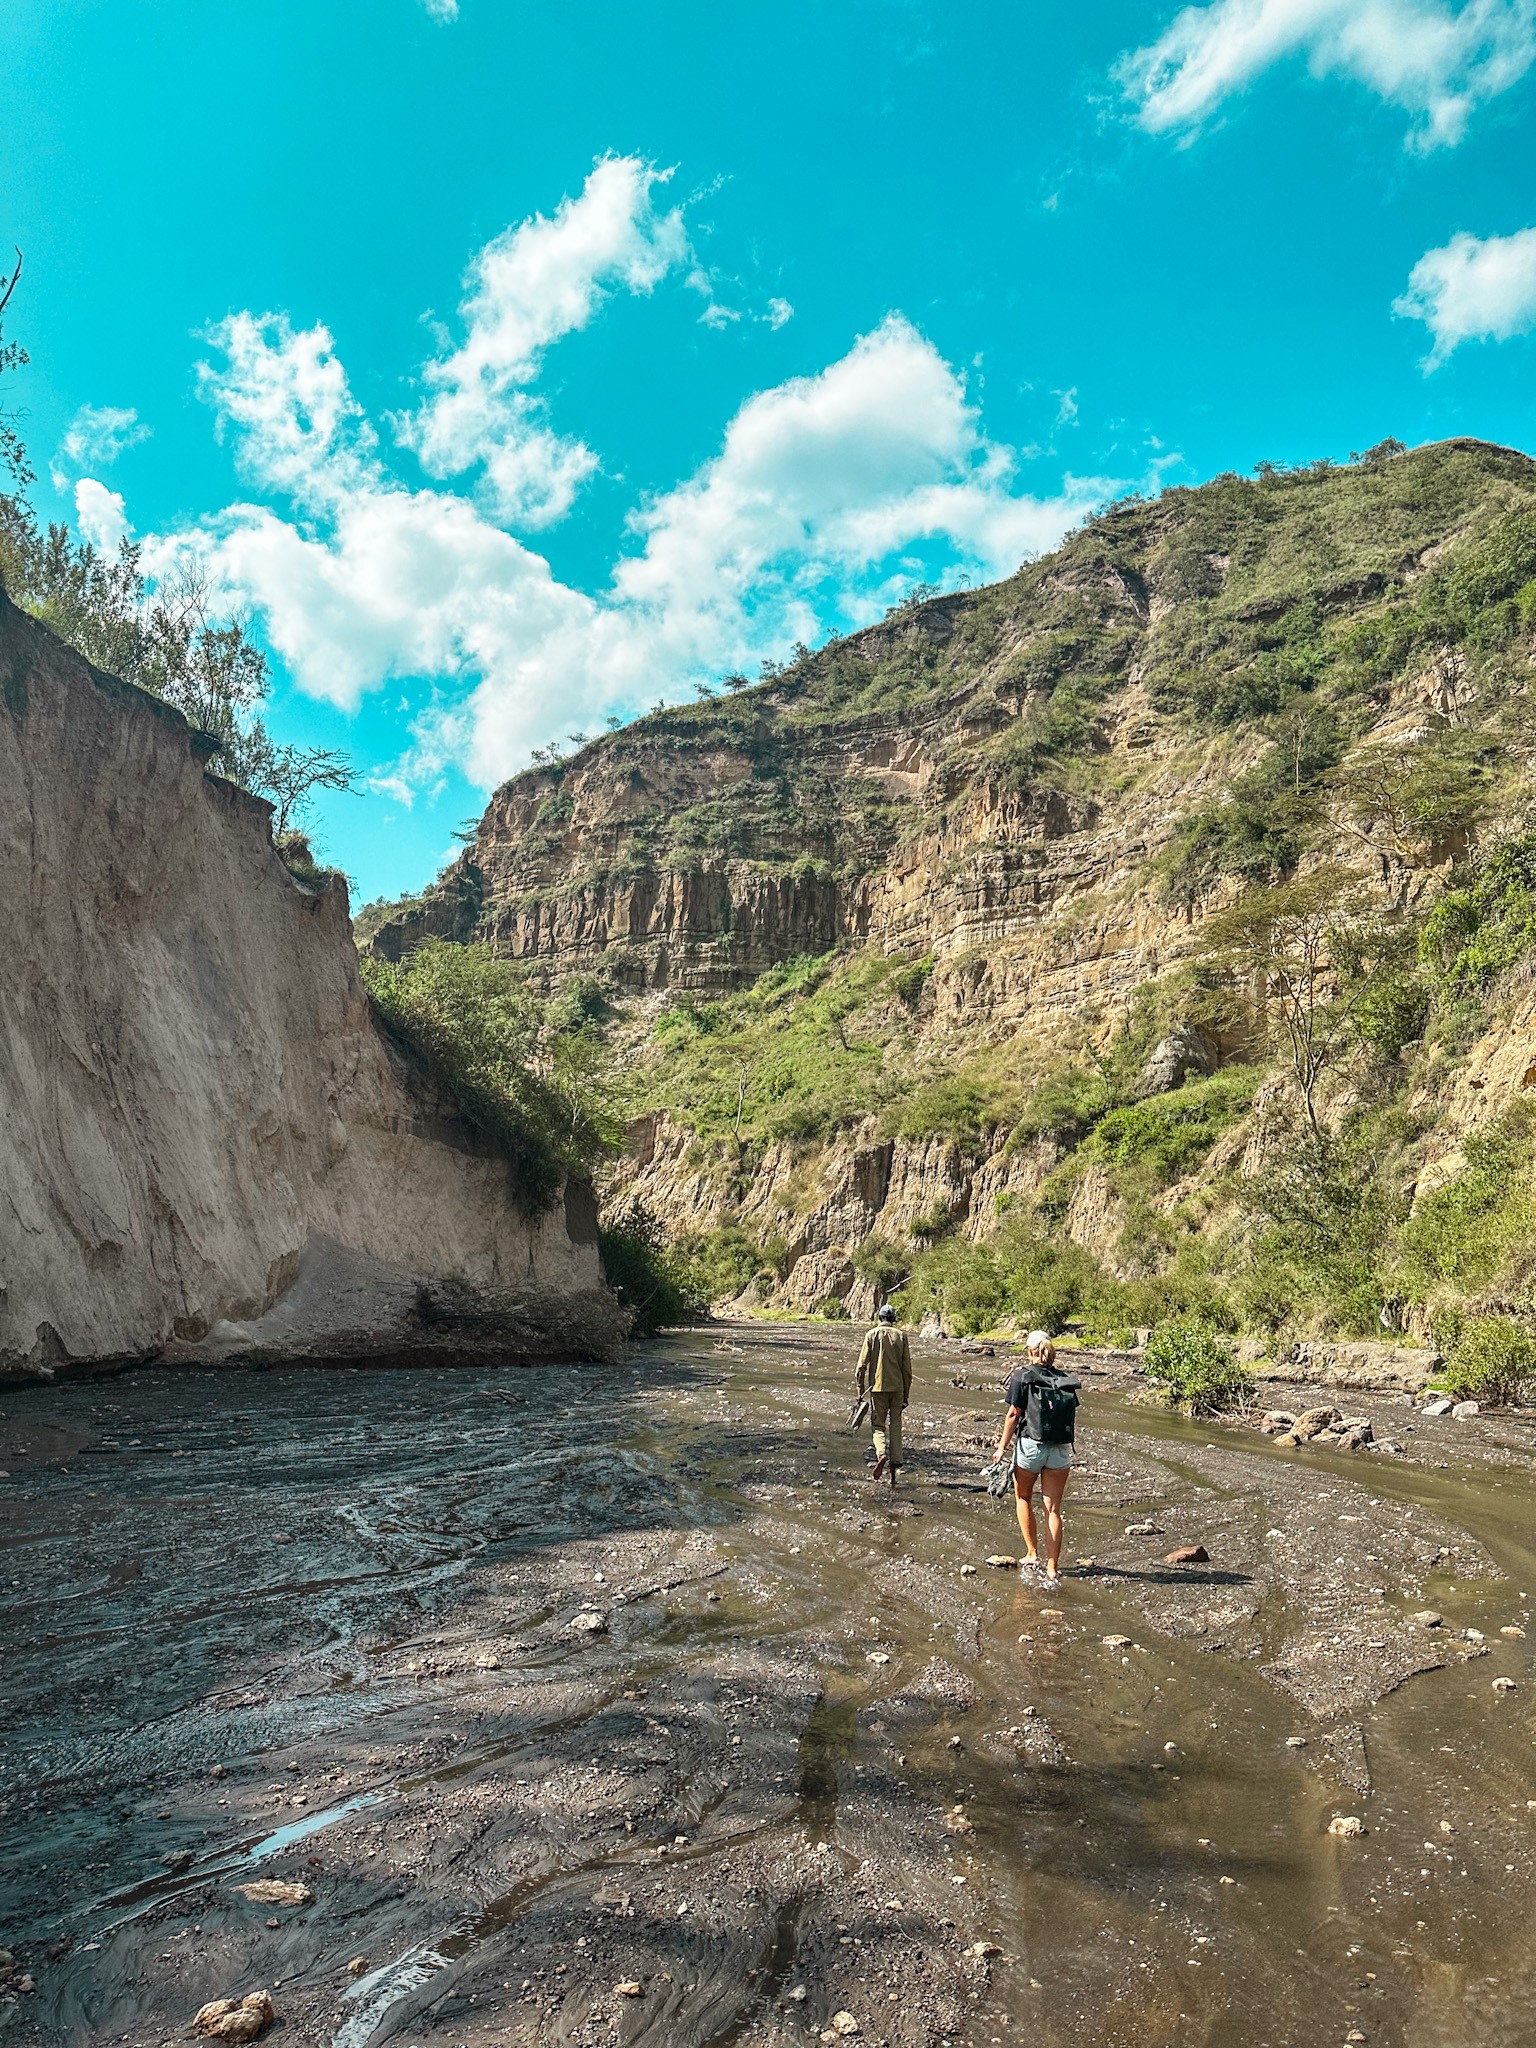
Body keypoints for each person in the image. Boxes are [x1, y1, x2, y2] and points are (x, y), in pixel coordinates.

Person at [994, 1330, 1080, 1580]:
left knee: (1023, 1497)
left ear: (1030, 1351)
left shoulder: (1022, 1375)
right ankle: (1053, 1568)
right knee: (1053, 1510)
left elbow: (1014, 1414)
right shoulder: (1064, 1379)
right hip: (1060, 1449)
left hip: (1031, 1447)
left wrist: (1001, 1447)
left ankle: (1032, 1553)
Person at [855, 1302, 912, 1485]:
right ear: (893, 1319)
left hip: (877, 1389)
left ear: (879, 1318)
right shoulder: (901, 1336)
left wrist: (860, 1391)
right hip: (897, 1388)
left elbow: (861, 1367)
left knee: (878, 1425)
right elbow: (907, 1370)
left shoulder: (871, 1335)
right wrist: (906, 1395)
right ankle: (894, 1470)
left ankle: (881, 1454)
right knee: (895, 1425)